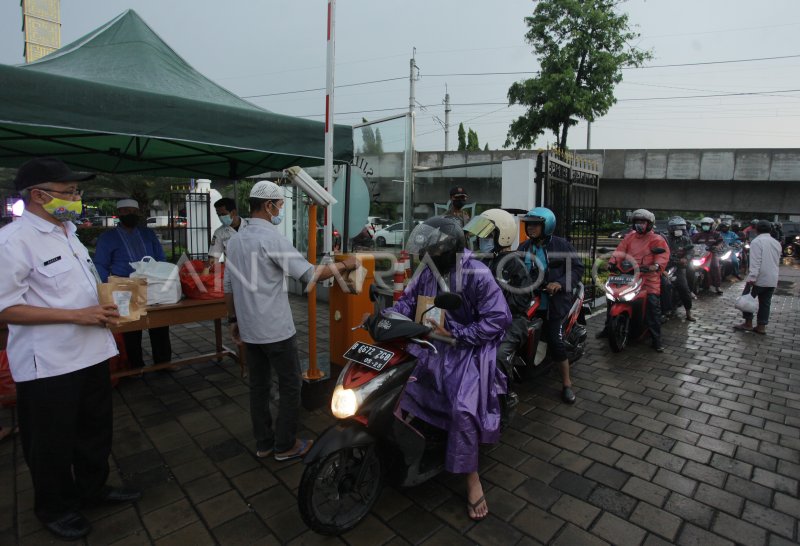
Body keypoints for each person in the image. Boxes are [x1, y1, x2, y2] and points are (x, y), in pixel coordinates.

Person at [0, 157, 140, 541]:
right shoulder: (13, 241)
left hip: (91, 352)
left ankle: (92, 489)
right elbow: (5, 308)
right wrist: (77, 315)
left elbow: (78, 286)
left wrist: (109, 304)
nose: (77, 198)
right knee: (51, 440)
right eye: (69, 191)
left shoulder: (69, 232)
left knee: (94, 429)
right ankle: (55, 507)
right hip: (49, 363)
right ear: (38, 195)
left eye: (77, 191)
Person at [386, 216, 510, 521]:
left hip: (467, 348)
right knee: (399, 384)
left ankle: (472, 478)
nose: (427, 255)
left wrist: (459, 335)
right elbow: (407, 303)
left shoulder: (477, 273)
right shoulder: (428, 271)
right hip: (432, 342)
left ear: (449, 248)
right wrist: (386, 318)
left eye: (433, 250)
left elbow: (498, 318)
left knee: (461, 407)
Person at [224, 181, 358, 461]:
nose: (280, 210)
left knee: (258, 387)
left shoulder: (235, 241)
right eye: (280, 205)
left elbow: (228, 287)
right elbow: (309, 274)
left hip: (249, 329)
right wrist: (345, 265)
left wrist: (233, 320)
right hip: (276, 330)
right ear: (268, 205)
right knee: (290, 386)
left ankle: (264, 443)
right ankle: (285, 445)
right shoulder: (272, 239)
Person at [463, 209, 531, 415]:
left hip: (511, 321)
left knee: (498, 356)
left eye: (487, 235)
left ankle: (504, 398)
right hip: (483, 319)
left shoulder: (515, 264)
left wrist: (494, 303)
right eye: (482, 235)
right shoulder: (481, 261)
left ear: (503, 236)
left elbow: (522, 301)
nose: (482, 239)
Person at [93, 199, 172, 369]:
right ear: (119, 213)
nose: (131, 215)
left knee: (159, 324)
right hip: (124, 287)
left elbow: (160, 257)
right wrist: (106, 288)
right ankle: (135, 367)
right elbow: (100, 264)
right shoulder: (108, 237)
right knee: (130, 328)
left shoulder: (147, 234)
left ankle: (163, 362)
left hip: (152, 285)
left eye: (134, 212)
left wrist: (163, 276)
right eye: (126, 211)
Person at [518, 207, 584, 402]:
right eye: (529, 225)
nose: (531, 228)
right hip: (528, 302)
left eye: (535, 225)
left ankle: (566, 384)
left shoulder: (561, 245)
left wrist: (560, 283)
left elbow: (577, 269)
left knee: (556, 341)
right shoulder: (524, 247)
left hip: (553, 304)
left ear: (546, 226)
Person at [598, 209, 670, 352]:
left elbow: (662, 256)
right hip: (628, 275)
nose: (639, 224)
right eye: (637, 222)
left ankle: (656, 339)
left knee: (652, 306)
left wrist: (655, 266)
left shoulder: (657, 239)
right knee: (612, 298)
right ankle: (608, 328)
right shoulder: (629, 237)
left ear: (650, 224)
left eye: (642, 222)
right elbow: (619, 251)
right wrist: (612, 262)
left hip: (648, 278)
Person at [734, 220, 781, 335]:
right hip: (772, 278)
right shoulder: (776, 243)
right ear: (770, 230)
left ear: (756, 230)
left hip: (759, 278)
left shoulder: (756, 242)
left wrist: (752, 278)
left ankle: (748, 323)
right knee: (765, 303)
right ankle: (761, 326)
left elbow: (756, 262)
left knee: (746, 299)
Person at [665, 217, 696, 322]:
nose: (679, 230)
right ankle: (665, 310)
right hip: (665, 266)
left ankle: (688, 312)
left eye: (681, 228)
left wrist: (686, 258)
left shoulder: (686, 239)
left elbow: (691, 251)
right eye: (676, 228)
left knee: (683, 287)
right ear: (670, 229)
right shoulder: (665, 239)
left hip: (678, 267)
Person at [208, 197, 249, 265]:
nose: (221, 217)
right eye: (219, 215)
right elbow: (214, 256)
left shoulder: (250, 225)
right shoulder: (219, 233)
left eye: (223, 214)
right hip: (232, 269)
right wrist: (212, 262)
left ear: (233, 212)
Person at [692, 216, 724, 295]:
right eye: (703, 224)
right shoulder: (698, 235)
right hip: (700, 254)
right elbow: (691, 242)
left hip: (712, 253)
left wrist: (717, 247)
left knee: (715, 266)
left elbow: (720, 243)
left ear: (712, 225)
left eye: (707, 224)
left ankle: (717, 286)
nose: (705, 226)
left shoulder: (716, 234)